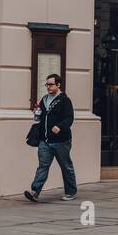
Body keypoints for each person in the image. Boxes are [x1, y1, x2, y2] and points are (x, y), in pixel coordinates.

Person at [23, 73, 77, 203]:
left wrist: (60, 126)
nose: (48, 87)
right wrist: (36, 112)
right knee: (43, 166)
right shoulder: (44, 99)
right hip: (45, 140)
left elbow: (69, 117)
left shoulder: (64, 100)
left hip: (61, 141)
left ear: (58, 85)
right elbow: (39, 117)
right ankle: (35, 192)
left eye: (51, 84)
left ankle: (70, 192)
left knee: (66, 166)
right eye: (47, 84)